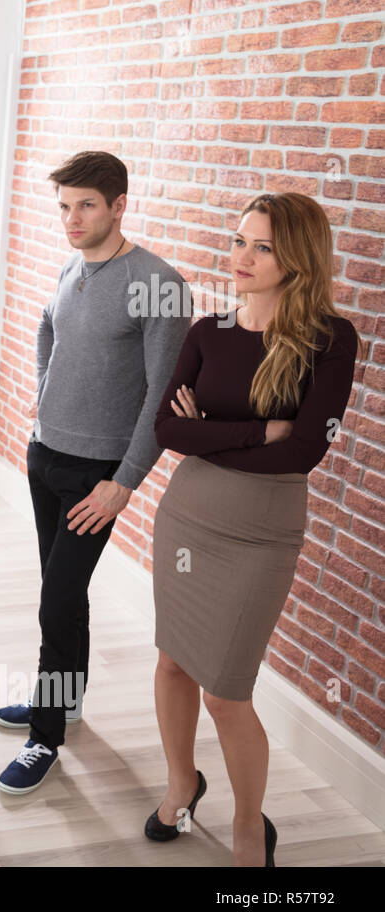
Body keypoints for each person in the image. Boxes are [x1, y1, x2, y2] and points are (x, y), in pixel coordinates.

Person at [148, 193, 359, 867]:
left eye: (261, 246)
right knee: (174, 662)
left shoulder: (330, 339)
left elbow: (302, 453)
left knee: (227, 690)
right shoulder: (207, 331)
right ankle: (183, 782)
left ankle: (248, 825)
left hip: (261, 533)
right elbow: (166, 429)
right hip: (185, 518)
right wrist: (251, 430)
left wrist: (206, 433)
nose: (240, 256)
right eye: (239, 240)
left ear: (295, 256)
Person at [0, 150, 191, 795]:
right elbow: (48, 327)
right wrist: (45, 394)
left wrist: (123, 482)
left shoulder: (157, 283)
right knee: (62, 591)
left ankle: (45, 737)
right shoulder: (71, 266)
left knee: (55, 601)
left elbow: (163, 396)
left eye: (85, 206)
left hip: (96, 475)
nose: (71, 219)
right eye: (64, 207)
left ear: (118, 206)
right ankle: (66, 701)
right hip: (45, 453)